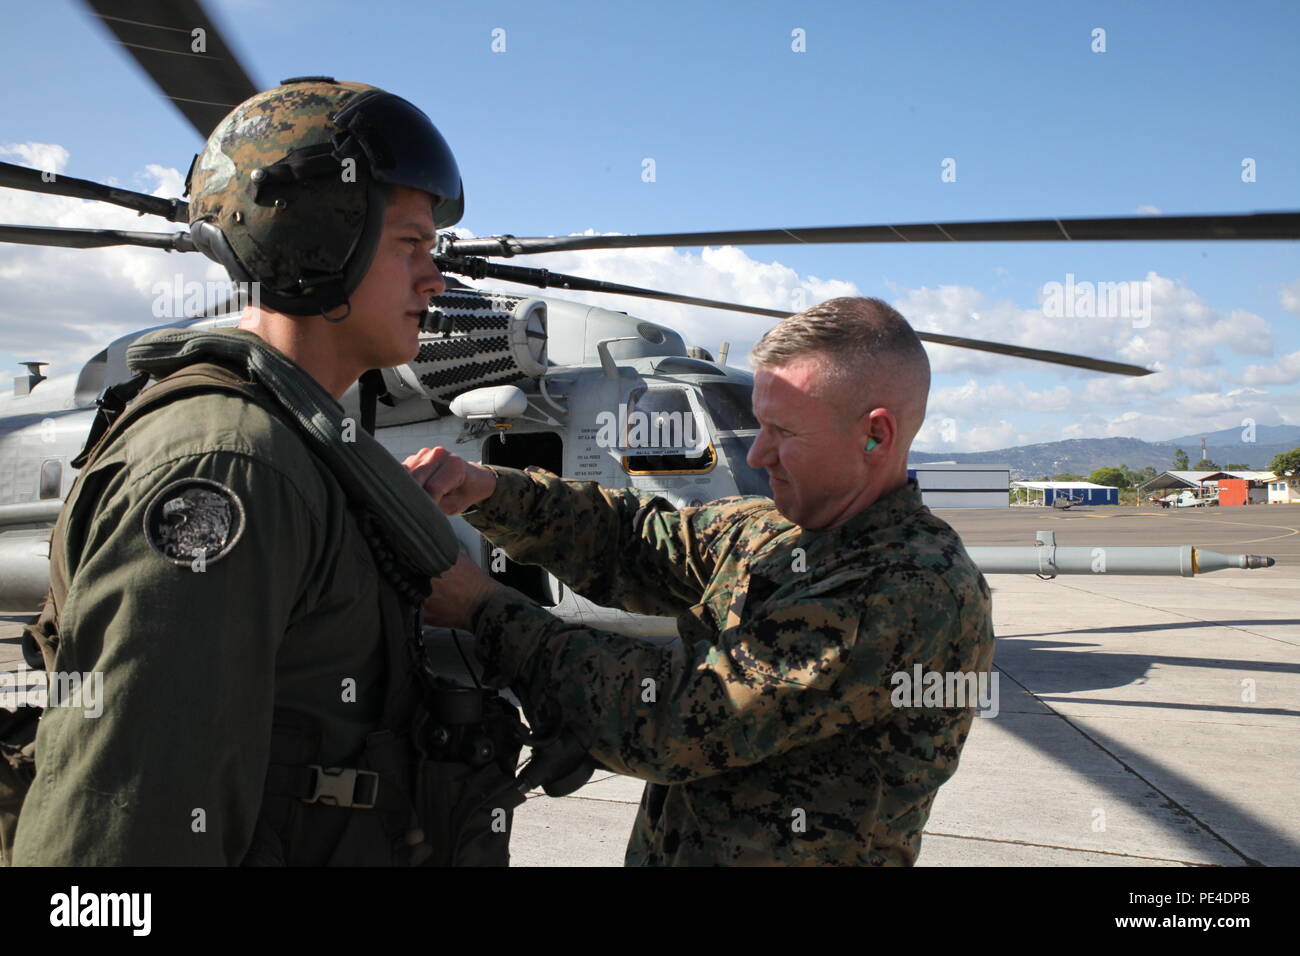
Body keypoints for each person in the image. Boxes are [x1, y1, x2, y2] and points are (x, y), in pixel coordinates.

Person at [11, 78, 497, 865]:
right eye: (411, 244)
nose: (436, 279)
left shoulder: (302, 445)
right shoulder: (231, 468)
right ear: (321, 243)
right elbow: (123, 824)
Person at [405, 296, 996, 866]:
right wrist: (489, 489)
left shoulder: (908, 587)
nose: (760, 455)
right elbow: (631, 538)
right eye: (760, 426)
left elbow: (679, 719)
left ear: (876, 435)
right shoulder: (775, 534)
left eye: (785, 432)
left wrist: (484, 608)